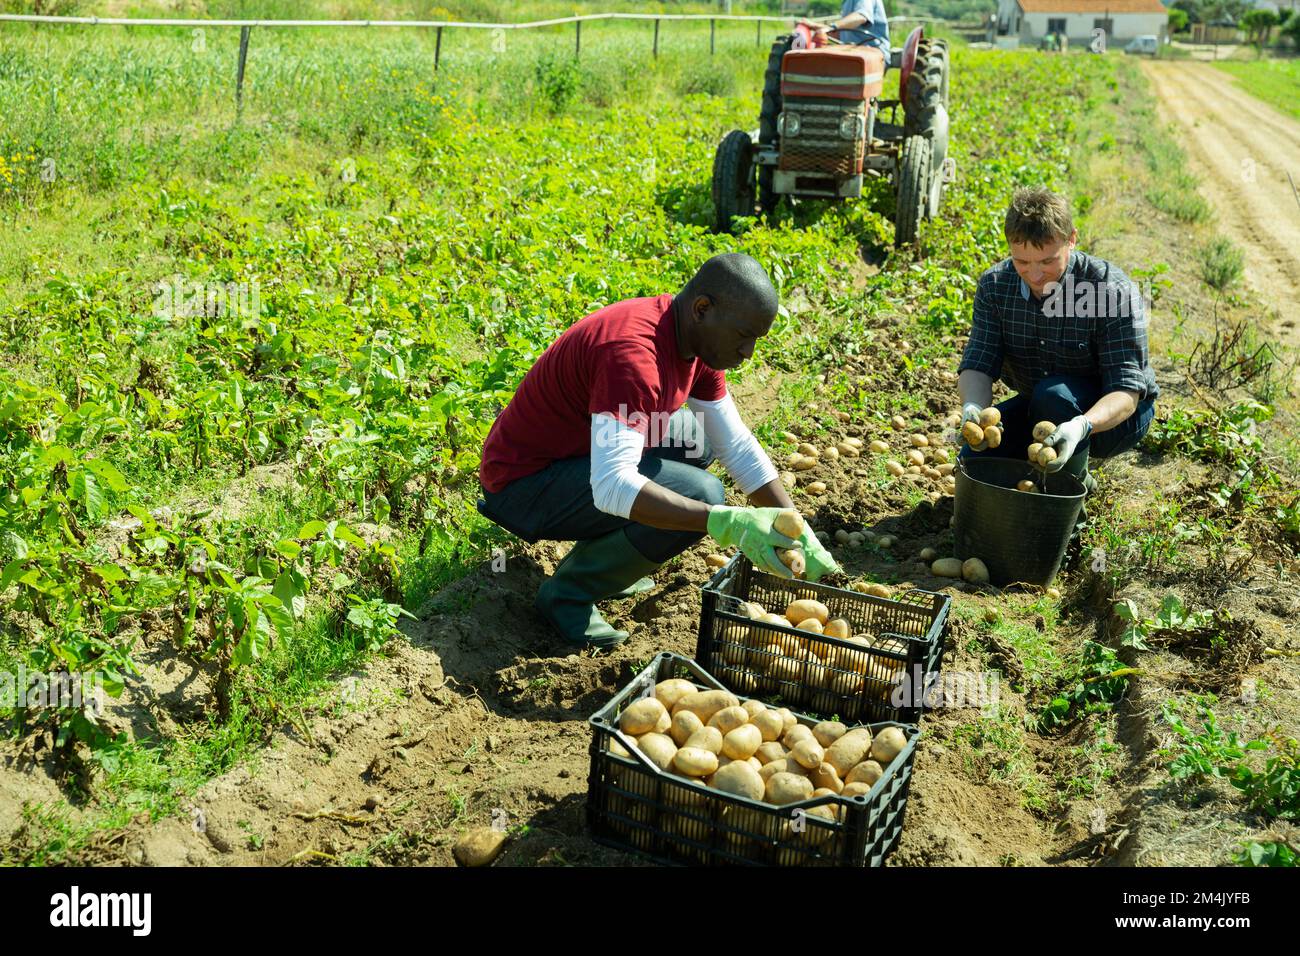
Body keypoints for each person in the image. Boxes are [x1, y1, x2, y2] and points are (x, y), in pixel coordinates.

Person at [477, 254, 839, 649]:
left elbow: (734, 445)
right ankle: (570, 594)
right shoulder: (633, 357)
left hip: (576, 453)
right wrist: (725, 522)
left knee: (696, 442)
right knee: (702, 494)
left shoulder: (694, 340)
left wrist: (800, 532)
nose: (749, 350)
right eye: (743, 335)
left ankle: (607, 557)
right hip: (524, 486)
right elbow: (612, 486)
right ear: (703, 309)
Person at [955, 187, 1159, 532]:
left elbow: (1127, 392)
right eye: (1022, 262)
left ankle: (1066, 522)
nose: (1035, 276)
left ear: (1072, 240)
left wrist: (1081, 426)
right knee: (976, 458)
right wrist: (973, 409)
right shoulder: (995, 287)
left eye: (1048, 261)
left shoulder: (1110, 290)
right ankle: (1067, 482)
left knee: (1054, 396)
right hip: (1043, 407)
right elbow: (979, 361)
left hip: (1116, 418)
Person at [802, 0, 891, 58]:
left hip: (873, 52)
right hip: (852, 50)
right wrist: (815, 26)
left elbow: (861, 16)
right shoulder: (847, 2)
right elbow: (840, 33)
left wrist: (832, 27)